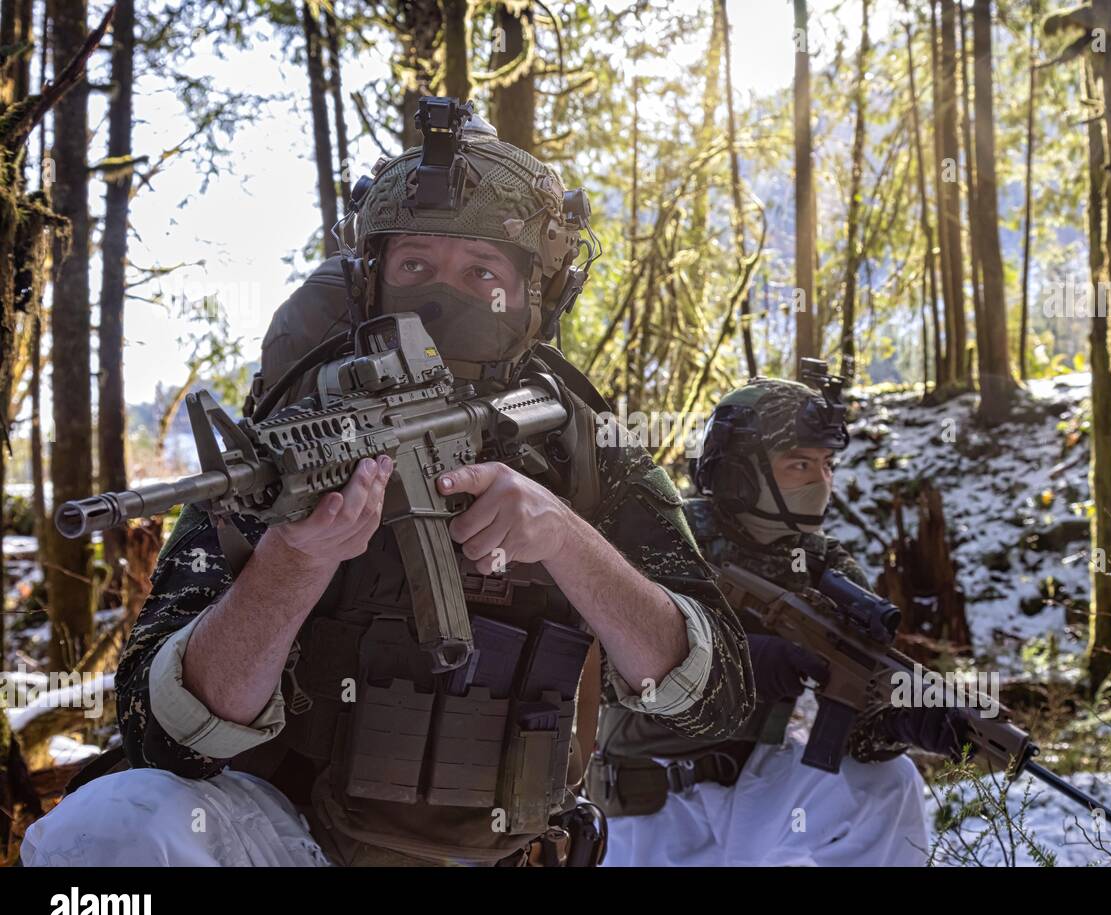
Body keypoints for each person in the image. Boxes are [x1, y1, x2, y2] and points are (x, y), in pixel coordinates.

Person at [22, 99, 754, 867]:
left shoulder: (584, 451)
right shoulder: (295, 436)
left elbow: (719, 697)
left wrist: (566, 537)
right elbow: (157, 732)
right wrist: (290, 564)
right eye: (415, 266)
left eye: (482, 272)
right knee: (108, 829)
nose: (444, 296)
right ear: (370, 280)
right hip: (297, 841)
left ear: (534, 293)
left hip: (510, 855)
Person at [591, 375, 942, 867]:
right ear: (738, 472)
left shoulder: (826, 568)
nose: (821, 481)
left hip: (754, 791)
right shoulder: (663, 537)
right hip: (653, 800)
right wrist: (753, 663)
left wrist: (902, 718)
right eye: (800, 464)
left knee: (888, 783)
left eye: (827, 464)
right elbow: (604, 677)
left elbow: (853, 713)